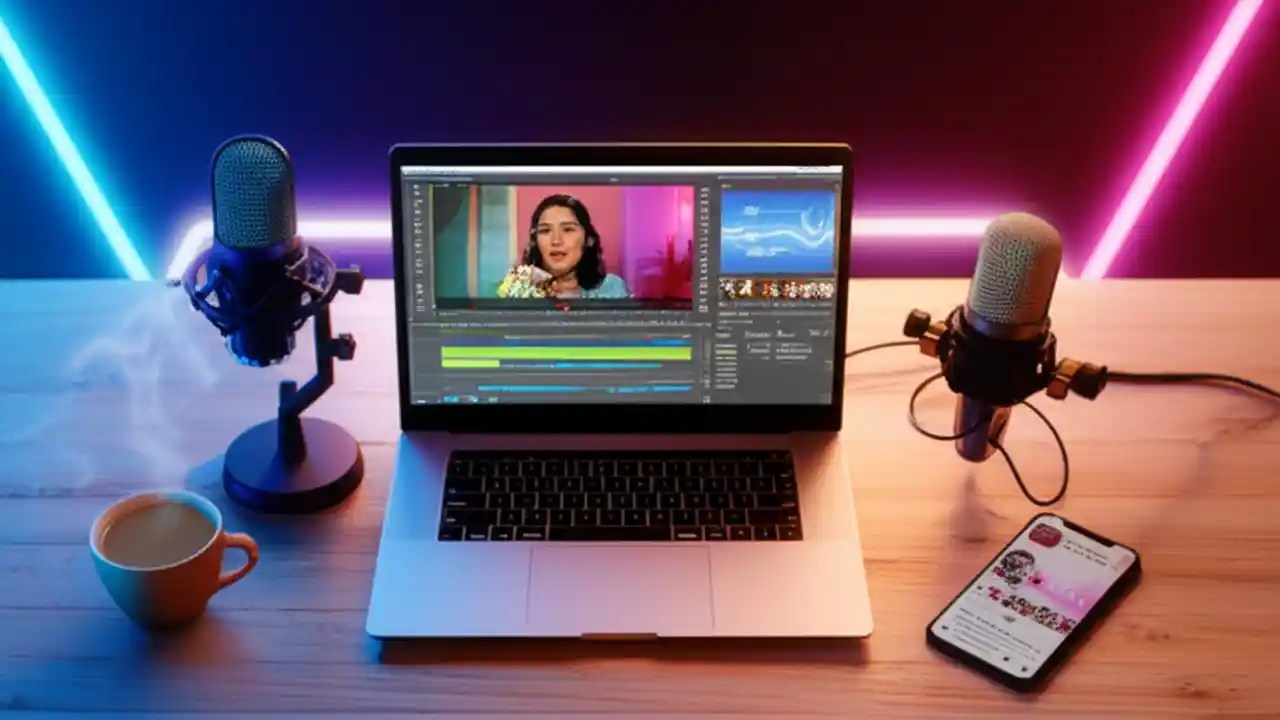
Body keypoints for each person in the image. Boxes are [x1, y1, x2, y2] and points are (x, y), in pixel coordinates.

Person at [498, 194, 630, 299]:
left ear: (588, 239)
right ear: (535, 241)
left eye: (568, 230)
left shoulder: (612, 288)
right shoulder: (517, 287)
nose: (556, 241)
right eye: (545, 231)